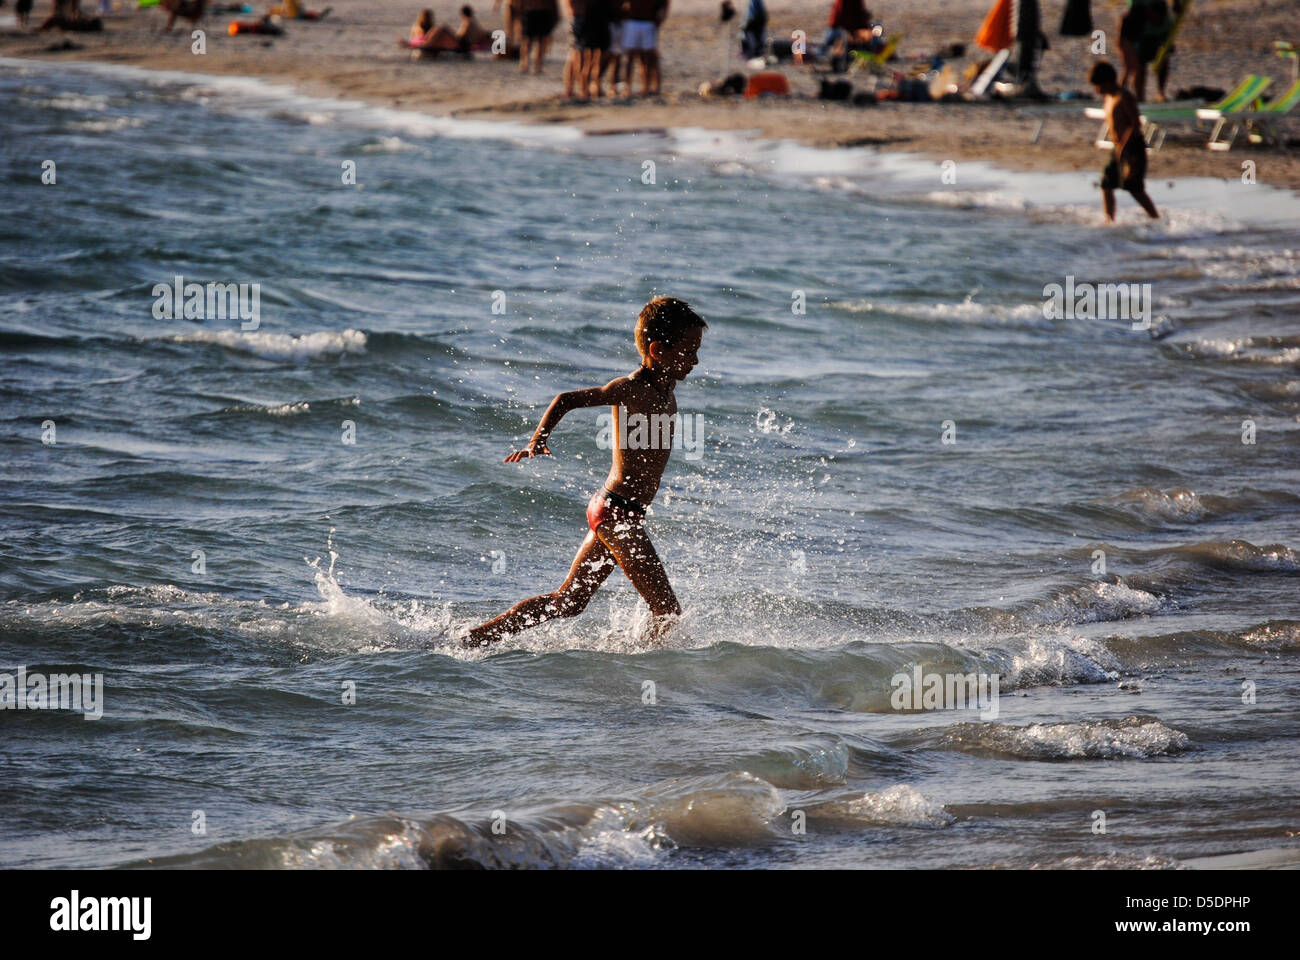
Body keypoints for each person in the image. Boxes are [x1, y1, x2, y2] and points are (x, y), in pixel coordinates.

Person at [464, 297, 706, 648]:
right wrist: (537, 442)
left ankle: (474, 638)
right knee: (666, 609)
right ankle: (648, 673)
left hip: (622, 514)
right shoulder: (632, 388)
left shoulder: (665, 389)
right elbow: (566, 399)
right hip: (616, 512)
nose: (696, 360)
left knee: (568, 603)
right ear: (657, 350)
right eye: (689, 350)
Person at [1089, 61, 1158, 222]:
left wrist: (1124, 148)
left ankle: (1155, 218)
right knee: (1106, 183)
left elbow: (1136, 124)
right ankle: (1109, 220)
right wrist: (1118, 149)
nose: (1096, 90)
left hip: (1133, 147)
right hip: (1117, 148)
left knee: (1134, 187)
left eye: (1097, 86)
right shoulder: (1108, 98)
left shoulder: (1124, 97)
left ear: (1106, 82)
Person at [1118, 0, 1174, 102]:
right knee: (1134, 67)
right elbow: (1122, 43)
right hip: (1136, 33)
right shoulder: (1134, 20)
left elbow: (1168, 46)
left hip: (1155, 35)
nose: (1157, 22)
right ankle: (1136, 96)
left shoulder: (1167, 22)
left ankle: (1161, 93)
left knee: (1164, 61)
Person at [621, 0, 667, 96]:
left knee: (648, 56)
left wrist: (662, 15)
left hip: (648, 21)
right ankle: (628, 87)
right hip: (633, 21)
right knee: (631, 56)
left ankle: (649, 86)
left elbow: (664, 3)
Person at [518, 0, 558, 73]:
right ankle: (525, 63)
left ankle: (536, 65)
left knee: (539, 41)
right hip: (532, 10)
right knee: (528, 40)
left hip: (543, 12)